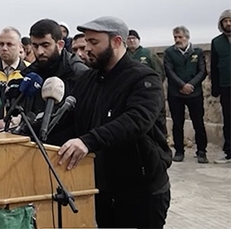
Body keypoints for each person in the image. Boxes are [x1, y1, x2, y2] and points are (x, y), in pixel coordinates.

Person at [58, 17, 171, 229]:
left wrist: (88, 141)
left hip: (141, 190)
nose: (87, 49)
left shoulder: (144, 79)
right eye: (86, 42)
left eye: (94, 42)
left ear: (117, 41)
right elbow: (71, 120)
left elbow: (137, 120)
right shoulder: (87, 80)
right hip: (102, 189)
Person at [23, 19, 88, 145]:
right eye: (35, 46)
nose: (40, 51)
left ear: (60, 44)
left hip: (67, 148)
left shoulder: (80, 74)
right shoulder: (31, 74)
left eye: (45, 45)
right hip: (31, 145)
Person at [164, 26, 208, 163]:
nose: (177, 40)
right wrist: (182, 85)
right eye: (175, 37)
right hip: (176, 94)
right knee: (177, 124)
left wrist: (191, 85)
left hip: (195, 93)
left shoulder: (197, 52)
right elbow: (169, 71)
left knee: (198, 123)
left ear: (187, 37)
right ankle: (179, 151)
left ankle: (201, 151)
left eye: (180, 37)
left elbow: (202, 71)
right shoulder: (169, 52)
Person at [211, 9, 231, 164]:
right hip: (226, 86)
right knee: (228, 120)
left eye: (230, 20)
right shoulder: (216, 42)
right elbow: (214, 65)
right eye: (225, 21)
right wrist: (215, 88)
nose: (228, 23)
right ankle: (229, 152)